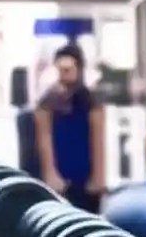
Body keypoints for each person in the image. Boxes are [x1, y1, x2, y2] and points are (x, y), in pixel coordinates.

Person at [34, 44, 105, 213]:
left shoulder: (91, 101)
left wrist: (98, 177)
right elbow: (44, 138)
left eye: (68, 69)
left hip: (84, 170)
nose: (64, 74)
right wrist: (50, 173)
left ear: (78, 69)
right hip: (60, 169)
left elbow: (98, 140)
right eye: (61, 69)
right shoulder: (48, 102)